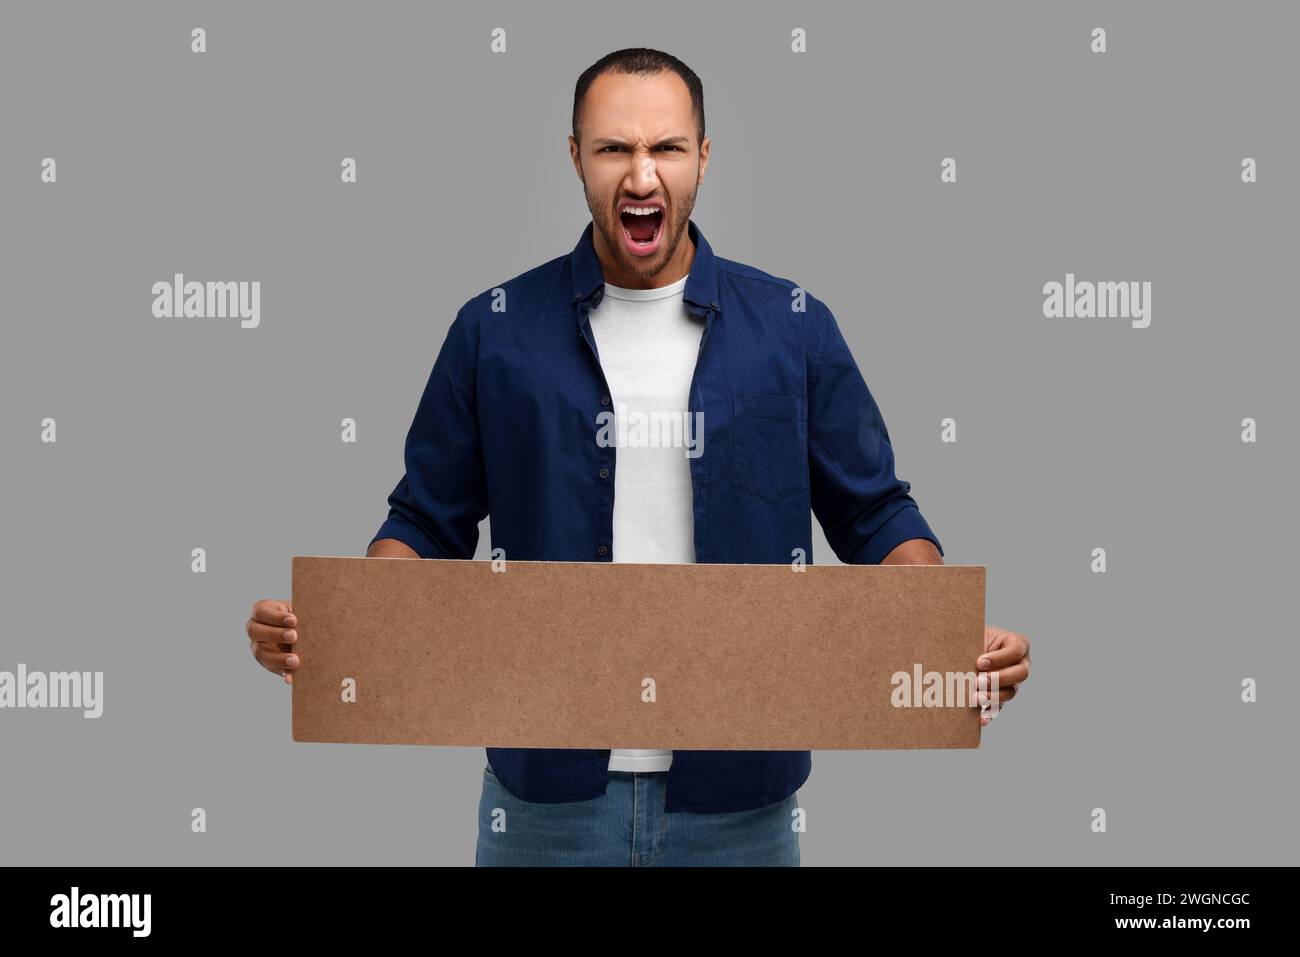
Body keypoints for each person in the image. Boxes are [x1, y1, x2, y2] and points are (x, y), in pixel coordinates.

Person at [246, 47, 1031, 866]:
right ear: (577, 158)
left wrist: (944, 633)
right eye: (615, 148)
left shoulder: (794, 328)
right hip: (545, 805)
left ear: (703, 157)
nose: (642, 176)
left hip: (740, 809)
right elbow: (425, 522)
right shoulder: (496, 330)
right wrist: (343, 624)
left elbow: (875, 517)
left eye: (666, 147)